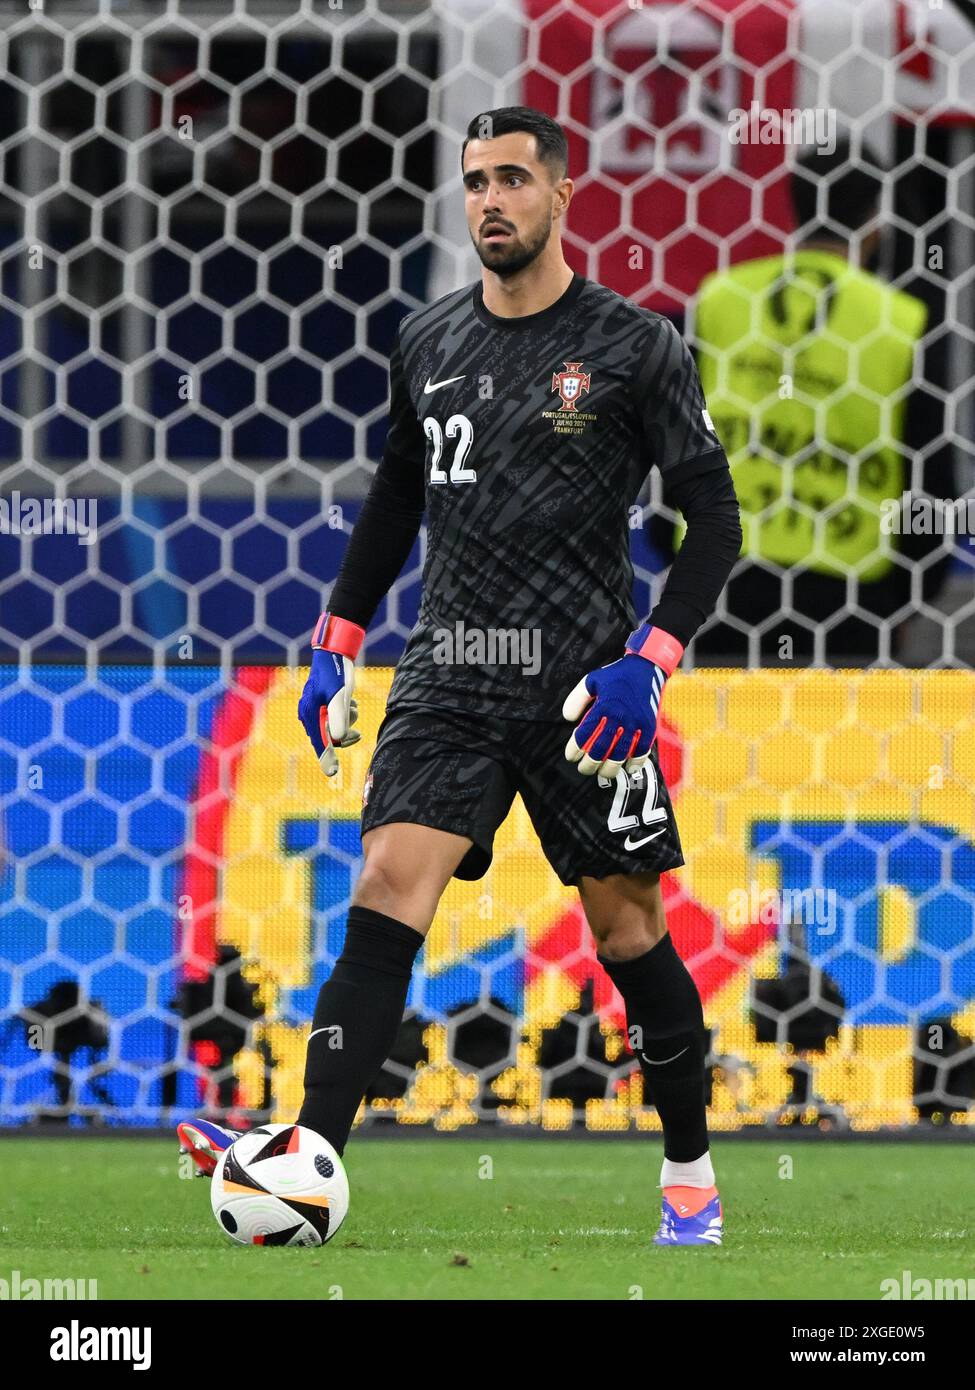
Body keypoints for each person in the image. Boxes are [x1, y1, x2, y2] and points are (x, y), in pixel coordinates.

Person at [178, 106, 741, 1247]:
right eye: (476, 180)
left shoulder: (637, 346)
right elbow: (394, 500)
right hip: (445, 672)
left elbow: (715, 519)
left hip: (589, 693)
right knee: (387, 884)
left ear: (561, 193)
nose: (491, 198)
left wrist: (654, 657)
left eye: (513, 179)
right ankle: (303, 1154)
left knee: (628, 930)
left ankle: (689, 1171)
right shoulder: (427, 340)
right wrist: (337, 635)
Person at [682, 139, 952, 665]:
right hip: (850, 600)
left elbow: (677, 440)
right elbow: (931, 481)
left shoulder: (721, 298)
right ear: (877, 219)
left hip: (722, 586)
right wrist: (906, 599)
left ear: (795, 205)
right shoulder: (901, 322)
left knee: (725, 744)